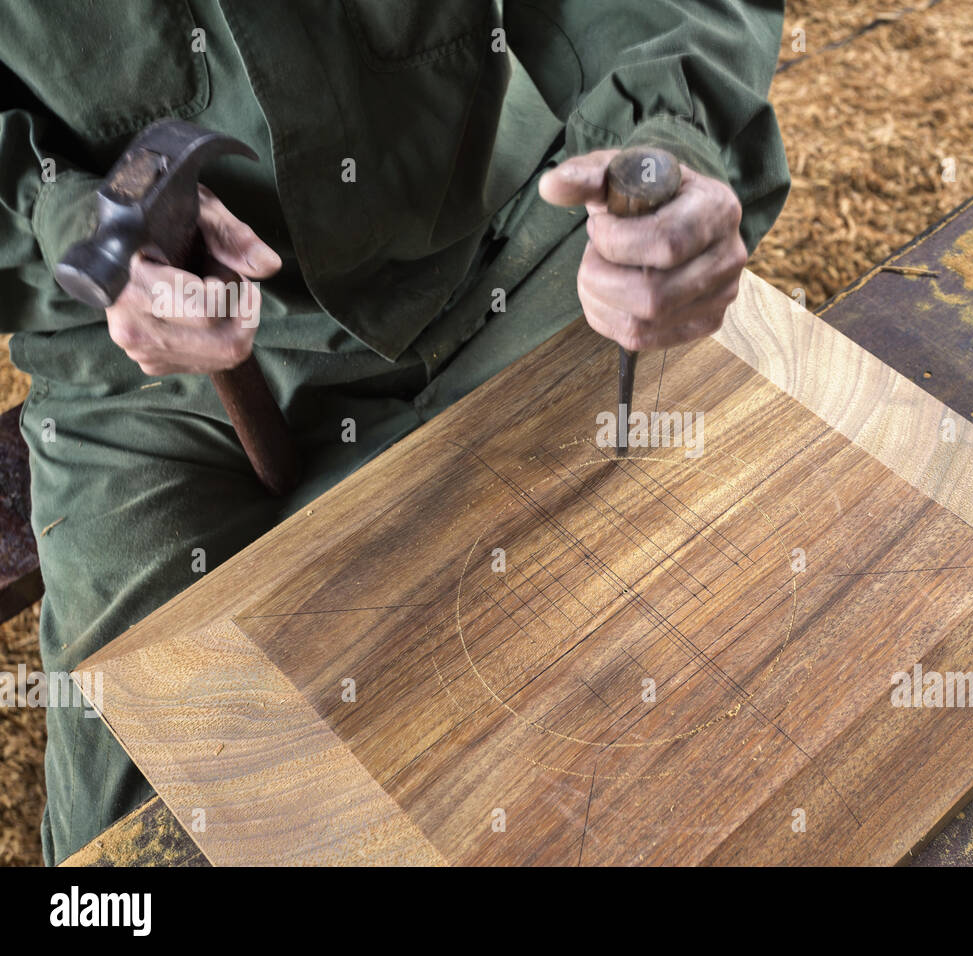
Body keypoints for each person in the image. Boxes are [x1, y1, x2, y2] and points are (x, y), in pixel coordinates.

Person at [0, 1, 789, 864]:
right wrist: (66, 215)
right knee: (137, 845)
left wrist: (672, 135)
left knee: (722, 658)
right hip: (147, 357)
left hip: (507, 238)